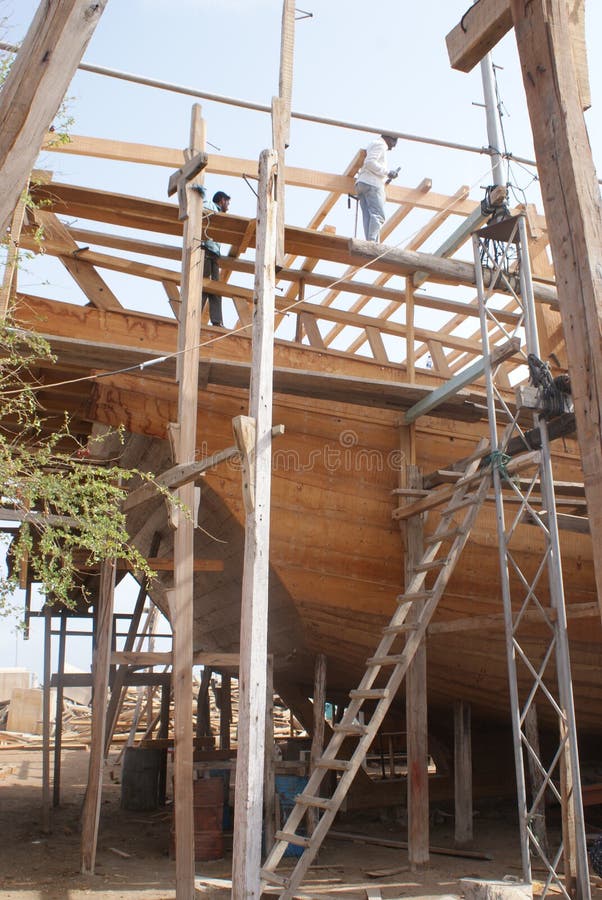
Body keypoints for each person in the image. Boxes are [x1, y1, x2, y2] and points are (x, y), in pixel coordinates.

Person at [193, 186, 231, 326]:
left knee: (215, 287)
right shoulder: (210, 205)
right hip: (207, 252)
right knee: (205, 284)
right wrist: (200, 195)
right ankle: (195, 315)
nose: (228, 205)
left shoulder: (220, 213)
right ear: (222, 200)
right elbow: (200, 206)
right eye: (227, 201)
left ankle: (217, 320)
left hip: (213, 254)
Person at [354, 134, 399, 242]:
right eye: (394, 143)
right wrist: (387, 172)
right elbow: (369, 162)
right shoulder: (381, 145)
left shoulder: (374, 144)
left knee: (368, 216)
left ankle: (370, 241)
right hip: (372, 183)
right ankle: (372, 242)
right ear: (389, 138)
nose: (392, 147)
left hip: (362, 183)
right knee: (378, 215)